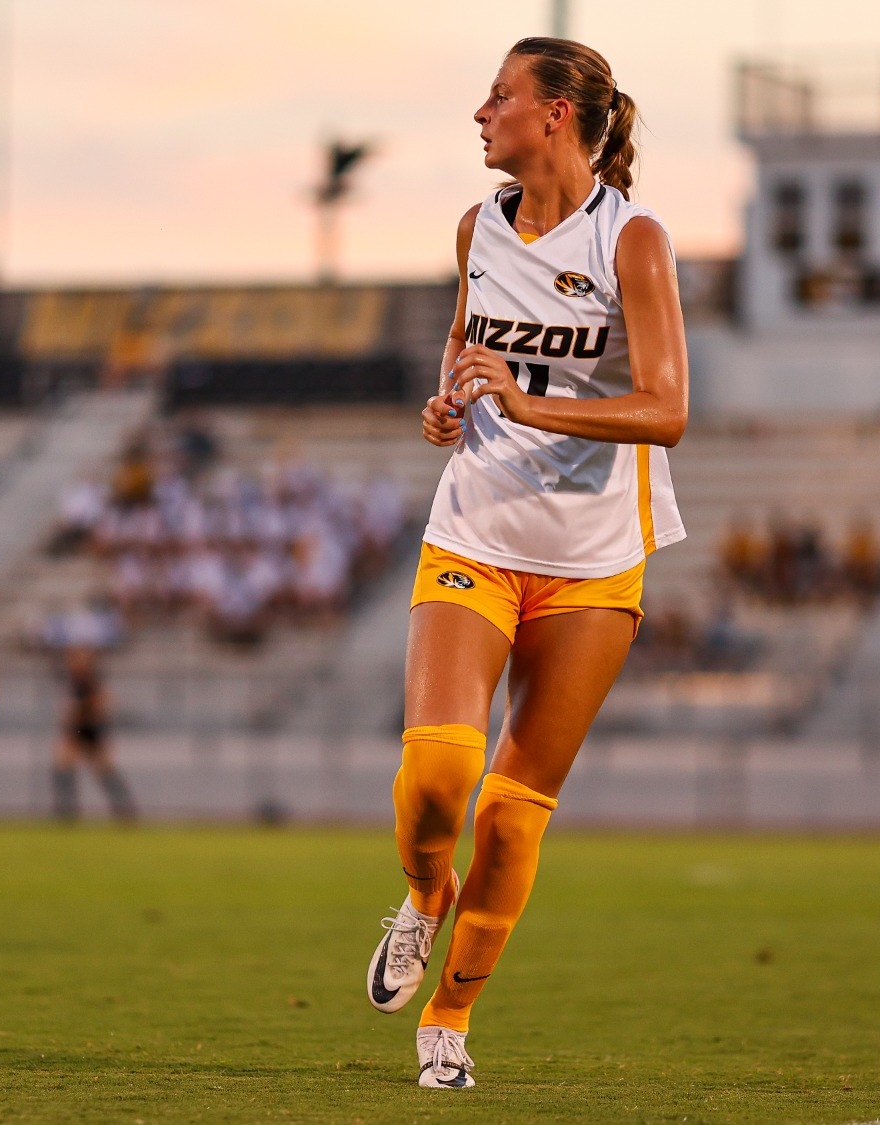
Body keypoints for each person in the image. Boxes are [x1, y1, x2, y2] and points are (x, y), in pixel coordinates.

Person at [365, 37, 688, 1090]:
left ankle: (448, 1024)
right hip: (474, 531)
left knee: (510, 813)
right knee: (438, 775)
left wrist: (521, 397)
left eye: (498, 95)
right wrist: (450, 402)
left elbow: (667, 411)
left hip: (593, 565)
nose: (478, 112)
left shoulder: (629, 239)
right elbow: (470, 359)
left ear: (554, 115)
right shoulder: (475, 228)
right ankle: (421, 894)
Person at [53, 647, 136, 823]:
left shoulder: (90, 681)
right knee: (63, 766)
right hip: (77, 731)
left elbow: (102, 704)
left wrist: (84, 713)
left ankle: (125, 810)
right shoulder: (75, 681)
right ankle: (67, 812)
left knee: (104, 771)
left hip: (90, 730)